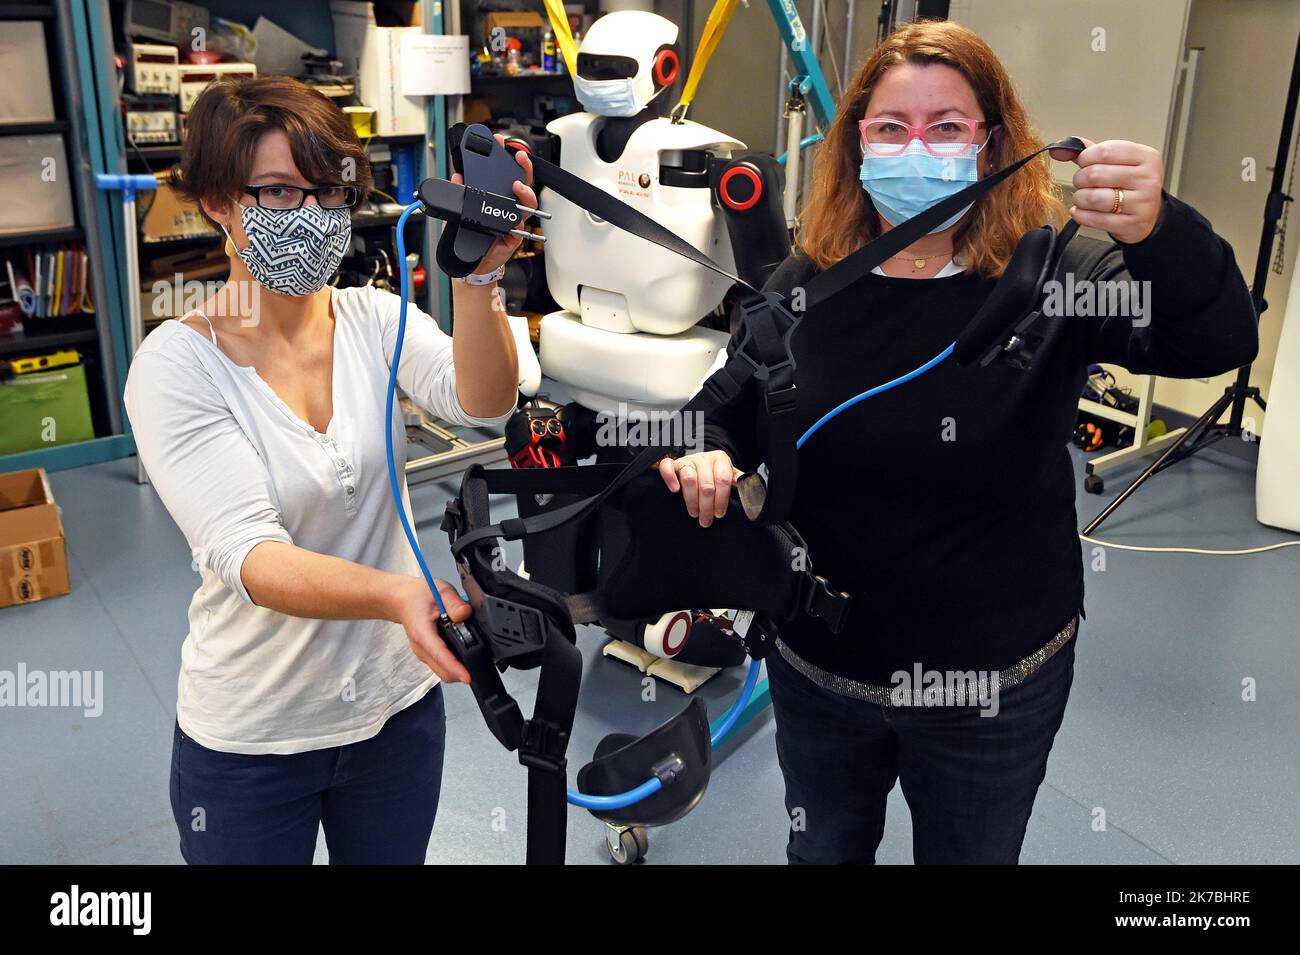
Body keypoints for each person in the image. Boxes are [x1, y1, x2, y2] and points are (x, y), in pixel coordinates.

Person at [659, 20, 1258, 863]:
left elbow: (1217, 340)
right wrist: (706, 453)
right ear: (856, 145)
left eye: (947, 128)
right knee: (823, 848)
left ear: (991, 146)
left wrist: (1162, 232)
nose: (917, 148)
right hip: (822, 670)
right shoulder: (804, 285)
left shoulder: (1054, 277)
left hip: (993, 684)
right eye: (891, 129)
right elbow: (720, 410)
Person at [123, 76, 533, 864]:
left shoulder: (372, 319)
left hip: (394, 711)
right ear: (216, 202)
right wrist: (398, 595)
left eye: (326, 192)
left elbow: (482, 400)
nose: (309, 216)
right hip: (254, 736)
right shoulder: (178, 367)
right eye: (277, 192)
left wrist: (479, 277)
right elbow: (248, 553)